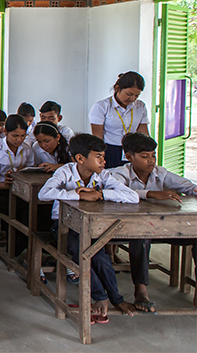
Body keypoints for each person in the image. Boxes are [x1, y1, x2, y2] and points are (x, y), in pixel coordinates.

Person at [38, 134, 138, 322]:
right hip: (63, 226)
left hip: (90, 227)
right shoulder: (65, 172)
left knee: (100, 256)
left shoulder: (103, 175)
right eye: (98, 156)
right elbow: (44, 194)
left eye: (103, 156)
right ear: (80, 158)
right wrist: (78, 195)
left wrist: (100, 193)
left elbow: (133, 196)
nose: (103, 161)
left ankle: (116, 299)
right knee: (80, 251)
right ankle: (100, 297)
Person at [109, 132, 197, 313]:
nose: (151, 161)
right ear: (128, 157)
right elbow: (119, 191)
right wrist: (151, 194)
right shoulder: (119, 174)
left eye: (153, 155)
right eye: (144, 156)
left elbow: (186, 186)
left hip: (161, 227)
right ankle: (141, 289)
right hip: (129, 229)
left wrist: (194, 189)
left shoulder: (160, 173)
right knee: (140, 239)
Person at [0, 114, 34, 258]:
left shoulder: (27, 149)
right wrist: (4, 184)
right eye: (15, 136)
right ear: (5, 132)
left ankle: (19, 248)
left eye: (23, 136)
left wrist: (21, 172)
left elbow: (31, 170)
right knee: (22, 212)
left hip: (22, 191)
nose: (19, 140)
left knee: (31, 210)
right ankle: (16, 250)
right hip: (2, 192)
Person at [89, 71, 149, 168]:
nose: (132, 98)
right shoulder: (101, 107)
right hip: (110, 150)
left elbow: (144, 134)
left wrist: (146, 154)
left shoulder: (140, 106)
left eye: (137, 95)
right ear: (117, 89)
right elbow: (97, 138)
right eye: (129, 94)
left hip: (133, 151)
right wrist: (99, 158)